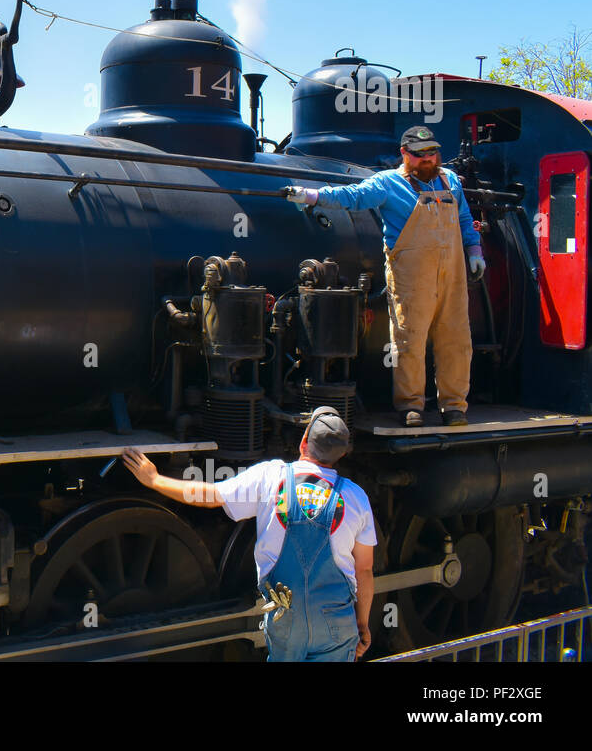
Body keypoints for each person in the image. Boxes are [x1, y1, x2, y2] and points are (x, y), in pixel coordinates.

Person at [122, 407, 376, 661]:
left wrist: (155, 480)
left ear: (303, 442)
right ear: (341, 454)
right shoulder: (356, 497)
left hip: (286, 616)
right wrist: (362, 623)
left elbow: (209, 496)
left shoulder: (270, 476)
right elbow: (364, 570)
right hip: (335, 621)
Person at [282, 125, 484, 427]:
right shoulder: (388, 183)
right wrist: (311, 195)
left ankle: (454, 406)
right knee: (409, 339)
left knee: (456, 340)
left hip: (452, 275)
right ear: (404, 154)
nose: (428, 159)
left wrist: (475, 251)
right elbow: (353, 197)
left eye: (432, 153)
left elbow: (465, 220)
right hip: (411, 277)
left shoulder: (450, 179)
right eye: (420, 155)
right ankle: (411, 406)